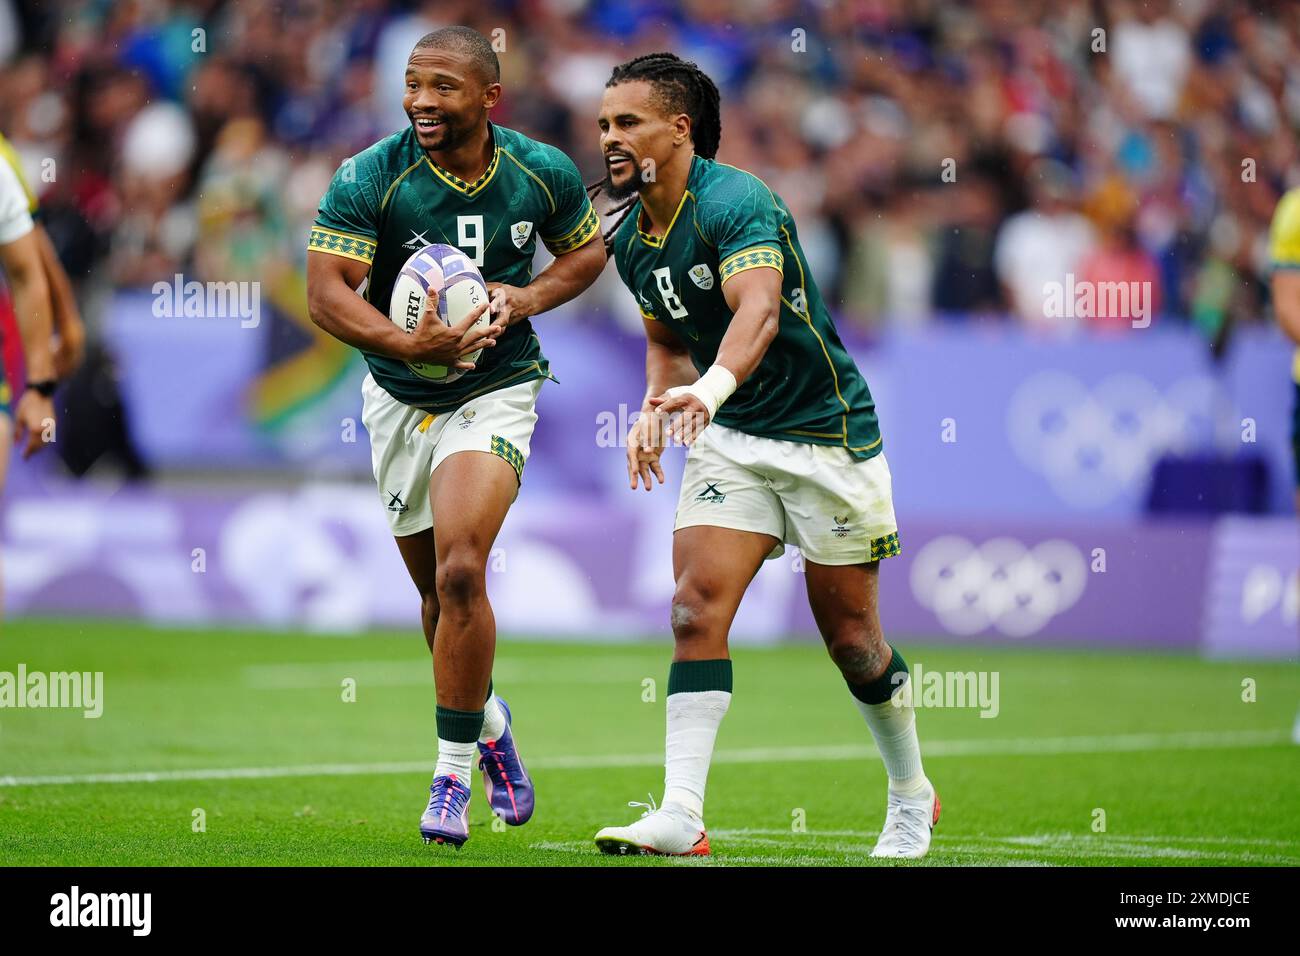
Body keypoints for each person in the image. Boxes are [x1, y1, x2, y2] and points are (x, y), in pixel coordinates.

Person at [589, 53, 937, 858]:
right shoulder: (630, 234)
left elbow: (759, 313)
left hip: (825, 435)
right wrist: (656, 406)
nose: (610, 137)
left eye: (628, 122)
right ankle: (681, 815)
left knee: (853, 642)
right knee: (692, 610)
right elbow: (665, 339)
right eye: (605, 123)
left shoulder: (737, 201)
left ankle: (911, 794)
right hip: (732, 441)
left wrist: (706, 393)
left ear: (679, 130)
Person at [305, 26, 605, 847]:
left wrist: (527, 298)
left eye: (442, 86)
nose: (421, 101)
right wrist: (407, 344)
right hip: (400, 397)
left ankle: (448, 780)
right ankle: (490, 724)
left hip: (496, 389)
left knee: (463, 567)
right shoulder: (371, 176)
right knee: (438, 600)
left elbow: (585, 255)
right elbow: (325, 293)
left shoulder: (540, 171)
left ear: (489, 97)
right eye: (413, 84)